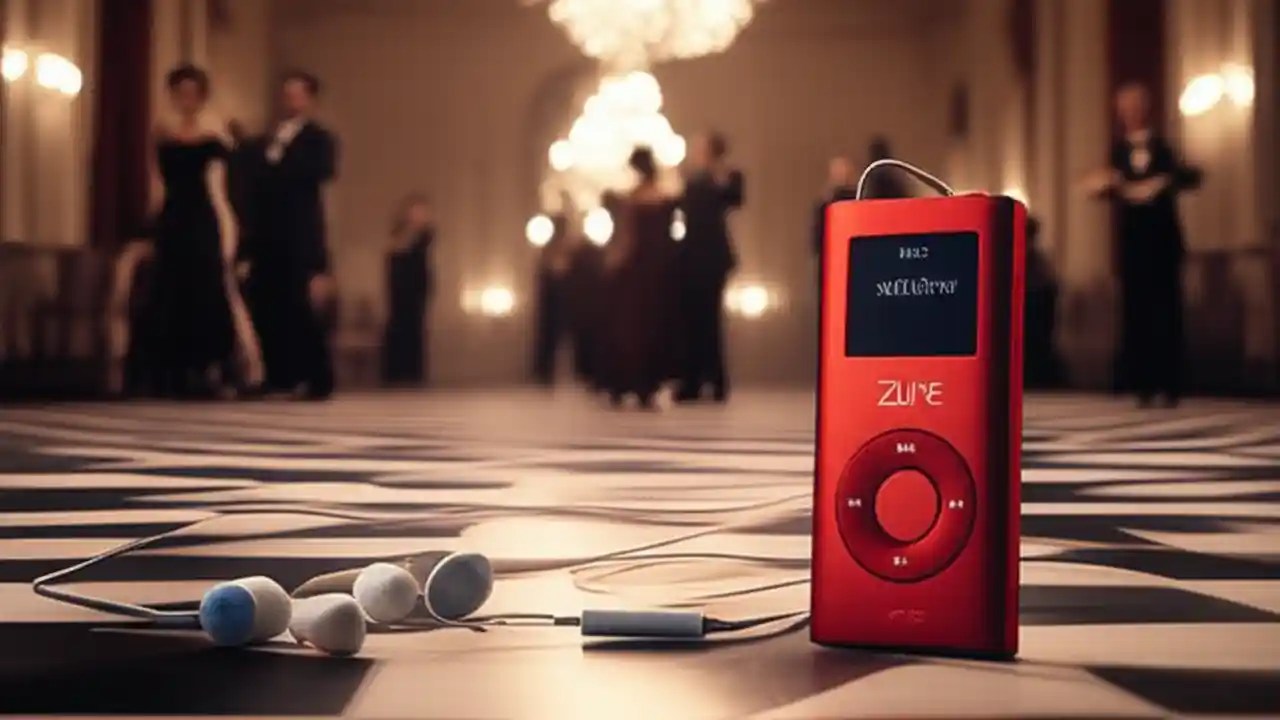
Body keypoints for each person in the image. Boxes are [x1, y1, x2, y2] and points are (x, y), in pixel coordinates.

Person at [1085, 82, 1201, 407]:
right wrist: (1106, 185)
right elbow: (1105, 186)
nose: (1131, 112)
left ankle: (1170, 384)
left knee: (1167, 311)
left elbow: (1191, 176)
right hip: (1133, 244)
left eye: (1135, 106)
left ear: (1146, 108)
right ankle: (1142, 384)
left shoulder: (1164, 148)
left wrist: (1163, 181)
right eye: (1125, 107)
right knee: (1136, 311)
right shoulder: (1117, 152)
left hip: (1163, 243)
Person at [149, 65, 260, 398]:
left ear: (201, 96)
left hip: (202, 219)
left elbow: (223, 190)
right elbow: (158, 183)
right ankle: (173, 372)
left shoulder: (215, 134)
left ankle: (211, 368)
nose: (186, 99)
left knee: (207, 292)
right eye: (179, 92)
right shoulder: (162, 132)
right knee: (171, 291)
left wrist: (231, 231)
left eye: (192, 93)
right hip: (173, 218)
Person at [238, 70, 339, 400]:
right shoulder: (265, 140)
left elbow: (320, 172)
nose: (292, 100)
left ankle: (316, 379)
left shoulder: (319, 139)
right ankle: (277, 376)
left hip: (300, 235)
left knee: (302, 308)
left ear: (310, 99)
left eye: (298, 94)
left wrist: (282, 152)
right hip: (267, 236)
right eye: (287, 94)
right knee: (267, 305)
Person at [599, 148, 679, 408]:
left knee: (630, 327)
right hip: (656, 271)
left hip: (637, 270)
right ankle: (646, 385)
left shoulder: (633, 200)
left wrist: (615, 263)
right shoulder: (663, 198)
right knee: (648, 326)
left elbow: (627, 237)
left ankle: (627, 383)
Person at [676, 131, 743, 403]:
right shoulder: (689, 179)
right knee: (690, 321)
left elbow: (736, 198)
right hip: (689, 257)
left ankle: (715, 381)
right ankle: (691, 381)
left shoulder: (725, 177)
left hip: (713, 258)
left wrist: (719, 176)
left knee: (710, 320)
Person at [381, 193, 436, 386]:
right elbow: (394, 256)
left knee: (414, 331)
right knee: (400, 329)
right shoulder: (399, 238)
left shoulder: (425, 238)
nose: (421, 215)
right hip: (400, 295)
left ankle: (411, 377)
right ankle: (397, 376)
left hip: (416, 295)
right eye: (416, 211)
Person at [532, 212, 572, 385]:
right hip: (552, 302)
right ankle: (545, 373)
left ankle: (559, 373)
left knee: (559, 338)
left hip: (562, 301)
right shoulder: (549, 250)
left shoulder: (565, 250)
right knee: (549, 338)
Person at [811, 155, 858, 261]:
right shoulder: (824, 204)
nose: (843, 176)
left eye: (845, 171)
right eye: (839, 172)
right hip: (831, 255)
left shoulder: (859, 201)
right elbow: (816, 238)